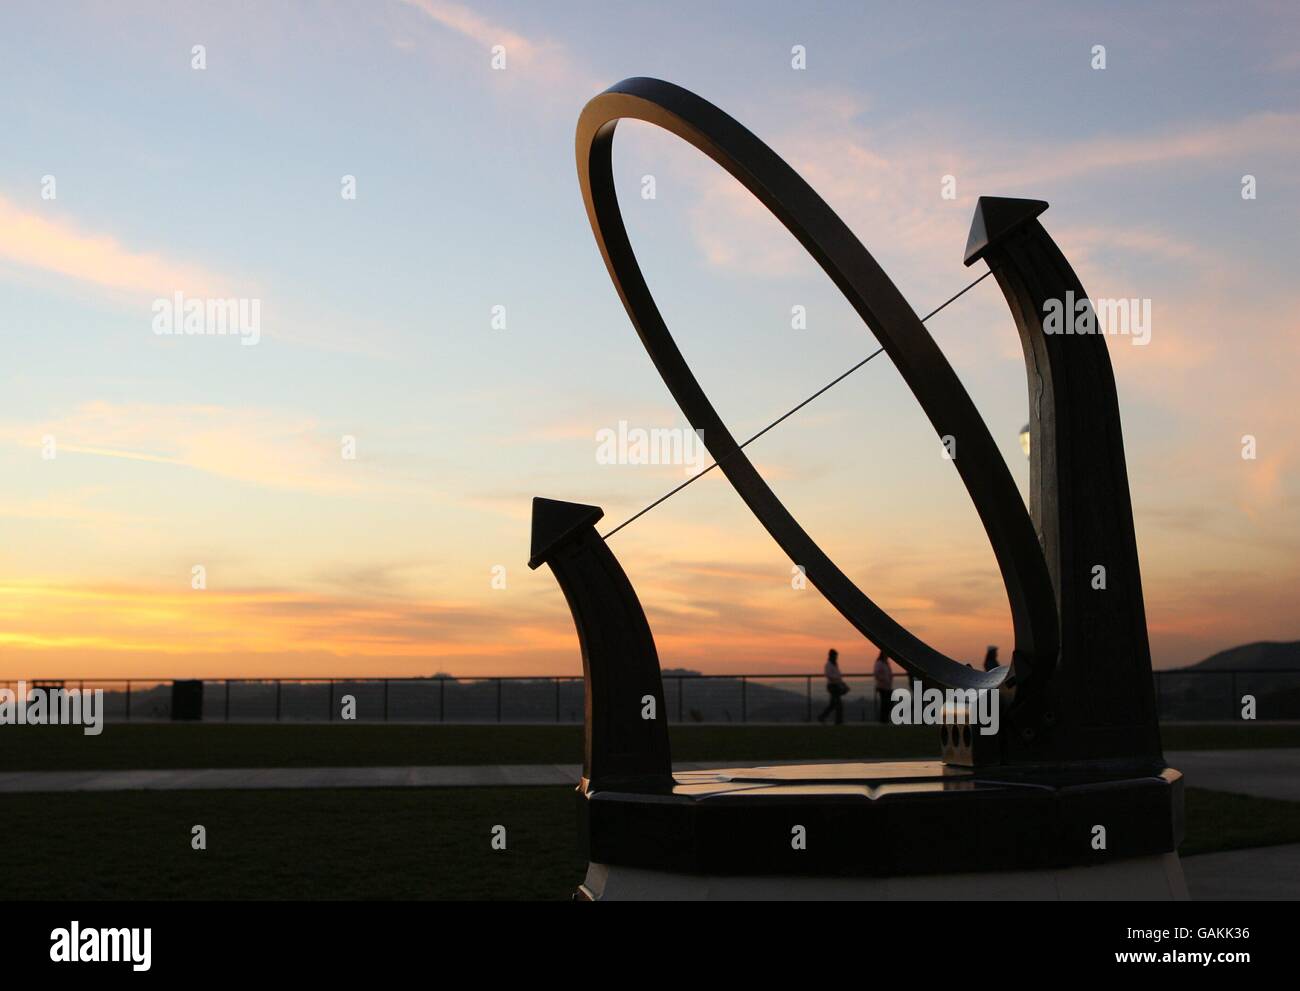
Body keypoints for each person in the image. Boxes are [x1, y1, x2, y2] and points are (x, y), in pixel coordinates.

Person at [817, 648, 846, 724]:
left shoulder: (834, 664)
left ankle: (822, 717)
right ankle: (838, 721)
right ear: (832, 656)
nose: (836, 657)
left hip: (835, 685)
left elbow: (837, 676)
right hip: (832, 686)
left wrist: (842, 683)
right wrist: (838, 680)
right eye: (835, 656)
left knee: (832, 704)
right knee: (838, 704)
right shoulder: (828, 665)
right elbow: (829, 675)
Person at [872, 649, 893, 724]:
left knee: (887, 703)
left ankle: (885, 718)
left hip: (887, 686)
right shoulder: (880, 663)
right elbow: (876, 673)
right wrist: (883, 679)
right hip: (882, 686)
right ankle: (883, 719)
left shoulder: (885, 663)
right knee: (884, 703)